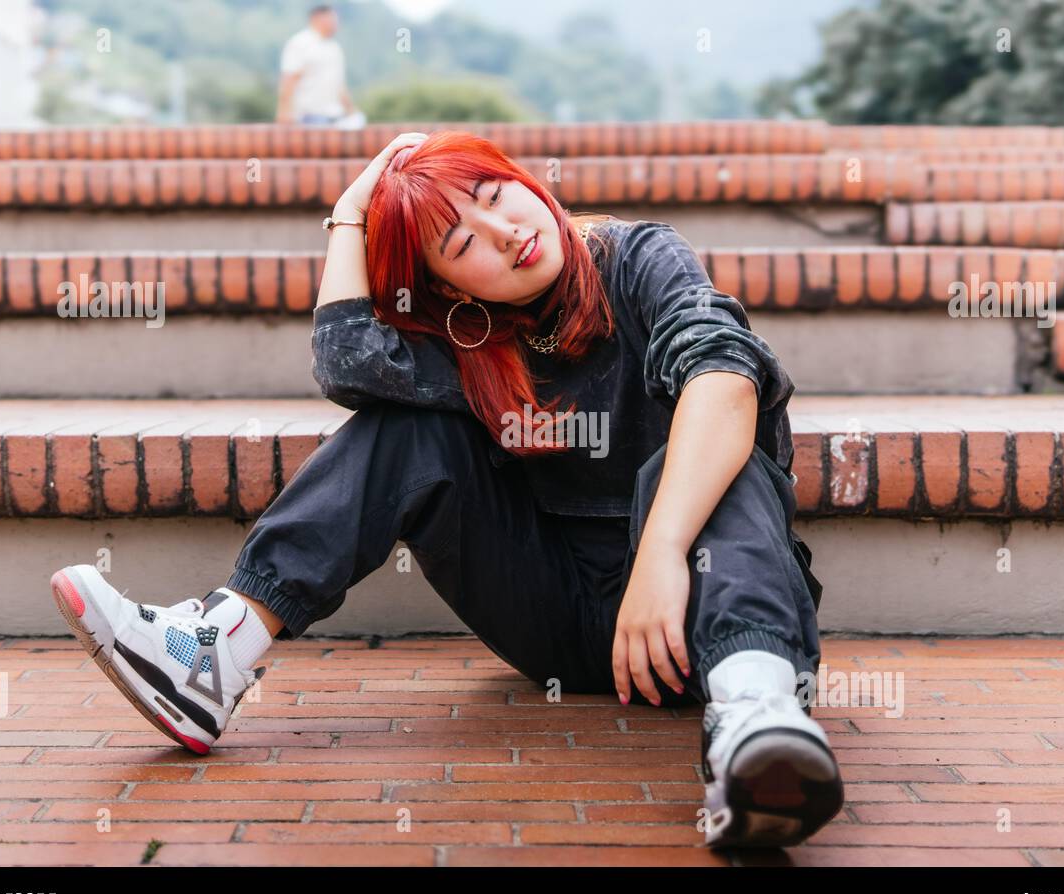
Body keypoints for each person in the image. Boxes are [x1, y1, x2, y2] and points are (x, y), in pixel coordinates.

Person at [49, 130, 844, 850]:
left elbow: (726, 374)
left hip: (712, 606)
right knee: (408, 428)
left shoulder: (635, 259)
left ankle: (753, 725)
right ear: (451, 289)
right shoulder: (475, 344)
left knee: (716, 450)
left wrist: (664, 553)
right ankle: (214, 656)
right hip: (566, 620)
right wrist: (351, 212)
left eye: (497, 197)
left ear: (524, 180)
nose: (506, 234)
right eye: (464, 242)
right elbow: (348, 364)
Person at [275, 4, 363, 128]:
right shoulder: (300, 43)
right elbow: (289, 80)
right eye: (331, 19)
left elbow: (339, 86)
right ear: (316, 19)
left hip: (334, 118)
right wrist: (283, 114)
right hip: (307, 118)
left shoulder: (334, 48)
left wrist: (352, 112)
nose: (335, 23)